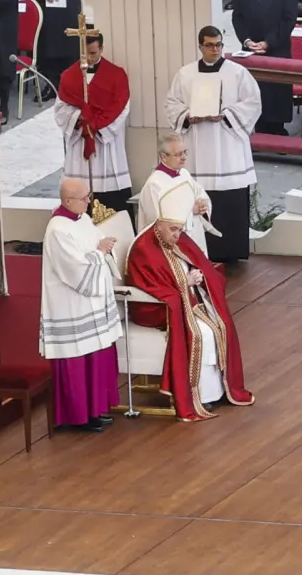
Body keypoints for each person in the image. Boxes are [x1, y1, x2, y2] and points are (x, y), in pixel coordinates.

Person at [126, 177, 255, 422]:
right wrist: (186, 283)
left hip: (188, 299)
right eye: (173, 230)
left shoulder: (176, 236)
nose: (178, 235)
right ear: (159, 225)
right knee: (202, 333)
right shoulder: (144, 248)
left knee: (221, 325)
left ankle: (218, 390)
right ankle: (198, 394)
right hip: (159, 309)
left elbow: (201, 264)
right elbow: (149, 286)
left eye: (180, 229)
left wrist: (200, 277)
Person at [161, 27, 263, 264]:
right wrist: (188, 116)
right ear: (200, 46)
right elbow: (171, 103)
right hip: (197, 147)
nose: (215, 49)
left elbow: (253, 102)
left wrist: (226, 115)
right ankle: (199, 251)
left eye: (218, 45)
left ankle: (231, 251)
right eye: (210, 45)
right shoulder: (185, 74)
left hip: (227, 147)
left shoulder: (238, 73)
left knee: (229, 201)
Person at [38, 179, 123, 434]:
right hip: (71, 305)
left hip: (91, 305)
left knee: (97, 358)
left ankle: (95, 410)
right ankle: (77, 417)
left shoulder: (81, 218)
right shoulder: (58, 230)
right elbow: (75, 270)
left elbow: (97, 245)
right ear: (67, 201)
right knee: (78, 361)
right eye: (84, 198)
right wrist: (99, 252)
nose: (89, 201)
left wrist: (104, 247)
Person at [53, 31, 133, 213]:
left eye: (93, 53)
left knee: (110, 199)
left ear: (101, 49)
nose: (88, 58)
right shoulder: (69, 75)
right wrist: (80, 119)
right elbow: (60, 109)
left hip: (105, 142)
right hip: (80, 140)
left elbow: (122, 107)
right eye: (85, 53)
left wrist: (96, 126)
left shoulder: (116, 75)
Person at [229, 0, 299, 135]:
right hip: (250, 48)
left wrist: (269, 42)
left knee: (276, 94)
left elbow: (289, 18)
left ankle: (278, 133)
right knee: (254, 93)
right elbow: (237, 16)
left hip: (277, 48)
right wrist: (246, 40)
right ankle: (258, 132)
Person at [139, 132, 213, 255]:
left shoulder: (184, 174)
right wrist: (191, 211)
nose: (184, 157)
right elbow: (158, 222)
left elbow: (200, 194)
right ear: (163, 157)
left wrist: (203, 205)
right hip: (169, 248)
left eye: (185, 152)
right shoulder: (154, 184)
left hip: (194, 237)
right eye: (178, 154)